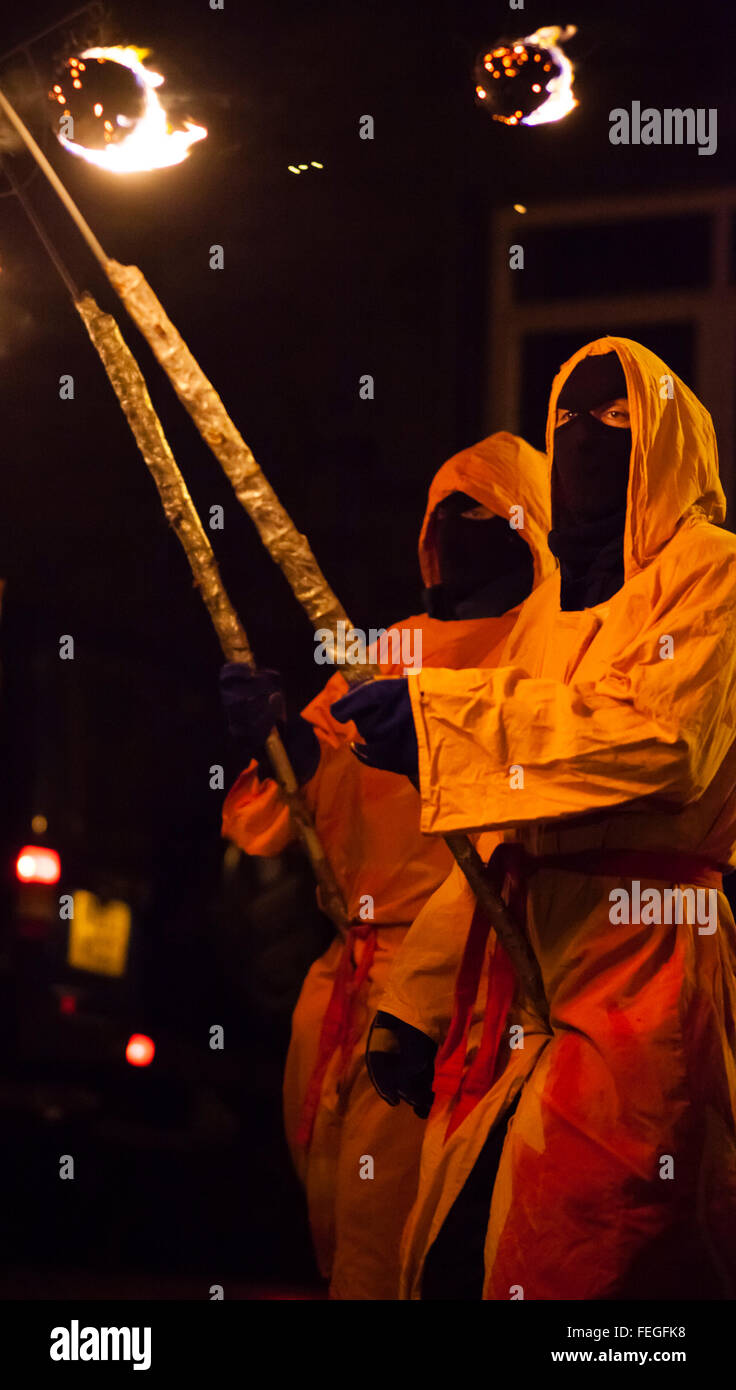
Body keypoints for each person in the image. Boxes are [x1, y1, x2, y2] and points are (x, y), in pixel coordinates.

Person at [333, 337, 736, 1300]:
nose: (586, 438)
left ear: (668, 441)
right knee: (461, 1246)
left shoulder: (714, 574)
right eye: (567, 419)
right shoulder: (552, 611)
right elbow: (501, 836)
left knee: (603, 1248)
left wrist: (444, 724)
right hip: (520, 977)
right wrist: (419, 1003)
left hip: (645, 964)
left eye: (617, 418)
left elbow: (661, 742)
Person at [220, 432, 554, 1299]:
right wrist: (288, 743)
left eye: (487, 515)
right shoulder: (388, 650)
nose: (464, 533)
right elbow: (290, 807)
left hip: (461, 995)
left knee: (399, 1243)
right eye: (449, 515)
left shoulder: (548, 653)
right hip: (347, 982)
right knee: (337, 1224)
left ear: (530, 529)